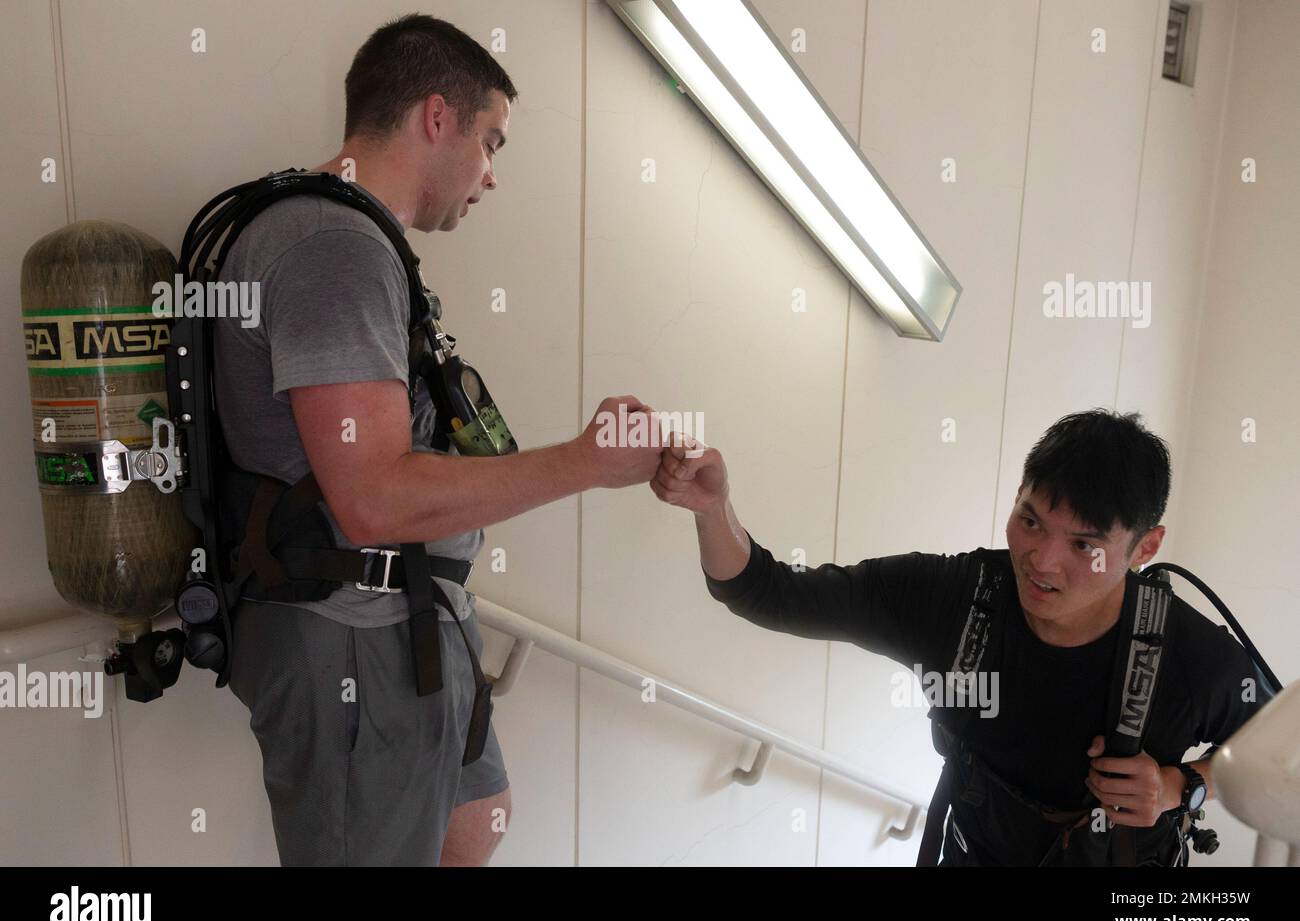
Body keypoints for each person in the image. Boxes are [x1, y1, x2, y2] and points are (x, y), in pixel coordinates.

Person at [214, 14, 662, 865]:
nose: (491, 176)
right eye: (491, 141)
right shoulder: (330, 245)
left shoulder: (354, 237)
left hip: (413, 620)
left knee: (474, 820)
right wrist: (583, 463)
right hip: (354, 639)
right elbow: (373, 497)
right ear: (435, 117)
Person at [652, 410, 1272, 865]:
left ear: (1146, 548)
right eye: (1030, 520)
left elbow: (1285, 743)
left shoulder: (1187, 655)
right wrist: (712, 507)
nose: (1042, 561)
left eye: (1084, 545)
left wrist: (1181, 785)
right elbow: (766, 590)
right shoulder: (955, 597)